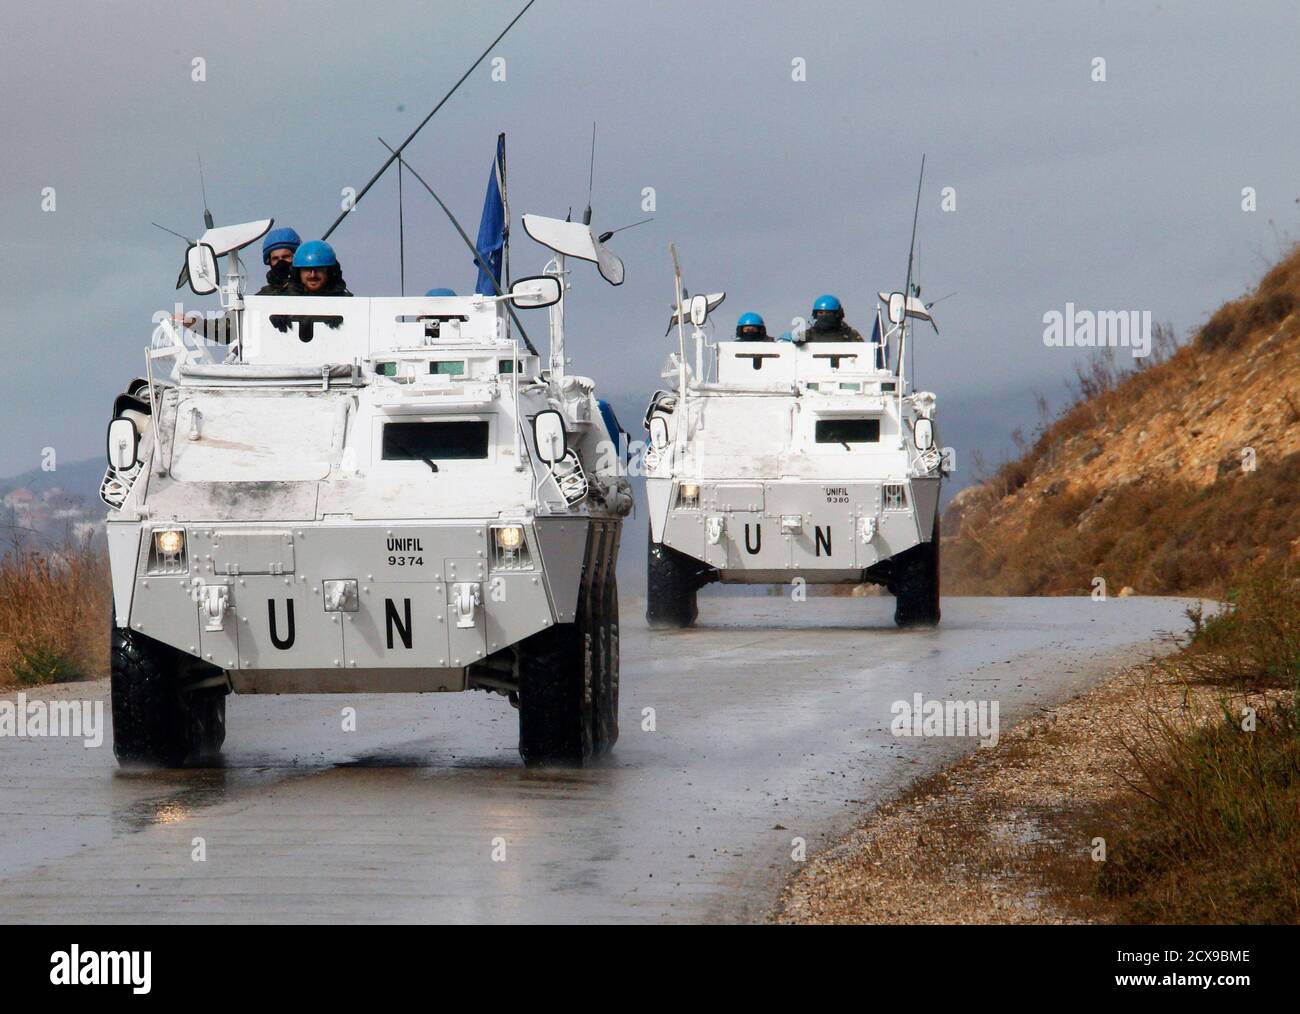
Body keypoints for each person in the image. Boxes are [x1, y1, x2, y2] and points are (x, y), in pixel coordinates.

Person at [287, 240, 352, 296]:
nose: (313, 275)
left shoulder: (346, 303)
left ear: (330, 272)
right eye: (307, 269)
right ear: (297, 273)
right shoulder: (283, 301)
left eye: (319, 269)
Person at [256, 227, 302, 294]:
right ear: (269, 261)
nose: (280, 262)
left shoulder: (311, 287)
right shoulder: (263, 296)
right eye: (275, 258)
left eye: (285, 257)